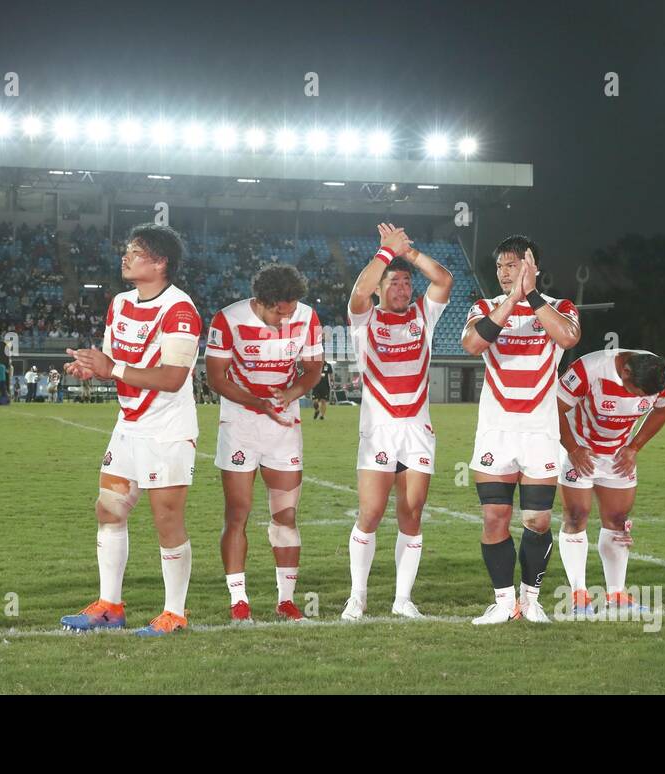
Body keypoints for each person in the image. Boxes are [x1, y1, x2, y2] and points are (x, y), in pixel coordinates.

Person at [61, 223, 202, 637]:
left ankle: (174, 613)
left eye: (135, 251)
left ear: (160, 262)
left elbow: (174, 377)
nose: (125, 256)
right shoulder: (120, 303)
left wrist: (113, 369)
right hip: (128, 425)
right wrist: (91, 368)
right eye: (127, 249)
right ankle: (110, 605)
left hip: (167, 431)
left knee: (166, 520)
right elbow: (112, 359)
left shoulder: (180, 310)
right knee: (108, 509)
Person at [461, 236, 580, 624]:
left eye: (513, 265)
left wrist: (531, 298)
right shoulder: (484, 307)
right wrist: (512, 299)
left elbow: (567, 337)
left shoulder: (559, 307)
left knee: (537, 521)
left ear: (533, 268)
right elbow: (474, 344)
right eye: (500, 266)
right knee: (495, 517)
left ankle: (530, 600)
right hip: (496, 431)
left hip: (540, 433)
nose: (504, 272)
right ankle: (502, 602)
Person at [342, 223, 453, 620]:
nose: (402, 289)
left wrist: (410, 256)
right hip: (378, 430)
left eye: (407, 284)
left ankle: (403, 599)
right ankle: (358, 596)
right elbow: (358, 293)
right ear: (379, 288)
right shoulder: (365, 321)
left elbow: (443, 279)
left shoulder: (424, 316)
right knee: (370, 513)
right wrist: (385, 254)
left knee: (412, 512)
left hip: (417, 431)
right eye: (393, 284)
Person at [206, 264, 324, 623]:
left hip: (283, 425)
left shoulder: (307, 317)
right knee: (237, 514)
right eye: (277, 312)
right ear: (260, 300)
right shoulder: (227, 320)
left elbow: (313, 370)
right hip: (240, 424)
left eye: (290, 311)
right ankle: (239, 600)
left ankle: (285, 600)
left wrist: (287, 394)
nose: (284, 319)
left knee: (286, 515)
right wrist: (258, 402)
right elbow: (215, 377)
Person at [556, 349, 665, 614]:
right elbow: (554, 408)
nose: (638, 401)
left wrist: (635, 447)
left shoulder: (662, 374)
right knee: (576, 516)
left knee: (619, 521)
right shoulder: (589, 370)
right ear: (625, 372)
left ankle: (617, 595)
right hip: (579, 450)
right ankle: (579, 594)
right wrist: (573, 449)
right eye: (637, 392)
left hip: (618, 453)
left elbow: (664, 409)